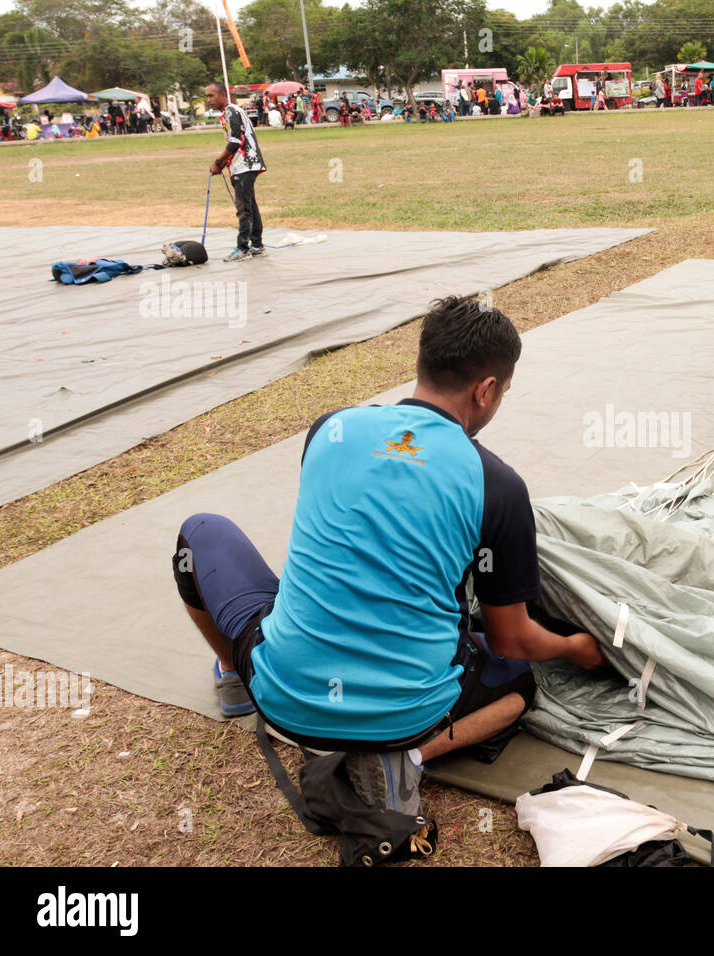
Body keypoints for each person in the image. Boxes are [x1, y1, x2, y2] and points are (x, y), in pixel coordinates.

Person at [173, 295, 604, 813]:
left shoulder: (329, 430)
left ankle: (236, 680)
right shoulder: (498, 484)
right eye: (503, 391)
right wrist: (577, 647)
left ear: (420, 363)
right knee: (515, 686)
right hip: (406, 715)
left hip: (282, 692)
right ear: (486, 390)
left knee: (199, 531)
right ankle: (410, 758)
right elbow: (512, 640)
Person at [204, 81, 266, 262]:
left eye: (211, 95)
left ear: (223, 95)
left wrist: (218, 162)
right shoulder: (227, 113)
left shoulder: (231, 111)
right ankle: (257, 245)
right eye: (206, 96)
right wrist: (225, 163)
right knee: (250, 206)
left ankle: (243, 248)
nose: (208, 100)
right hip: (243, 164)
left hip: (245, 165)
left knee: (244, 208)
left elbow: (235, 142)